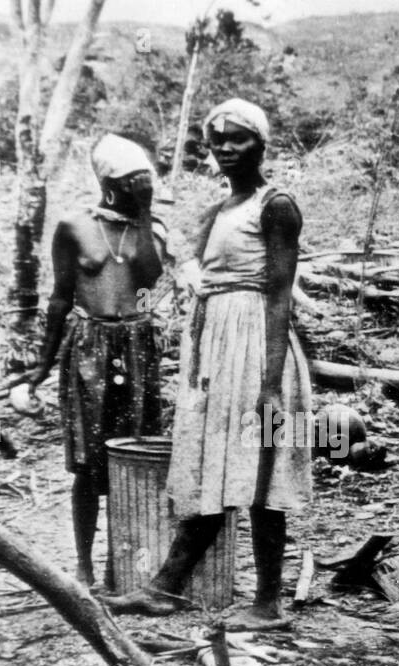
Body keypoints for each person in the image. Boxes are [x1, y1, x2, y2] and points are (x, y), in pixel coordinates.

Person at [105, 98, 312, 631]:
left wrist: (270, 386)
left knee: (262, 473)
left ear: (261, 145)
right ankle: (164, 589)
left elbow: (280, 296)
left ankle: (268, 603)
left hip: (257, 348)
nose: (225, 148)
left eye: (238, 138)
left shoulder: (276, 205)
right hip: (219, 349)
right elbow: (190, 267)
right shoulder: (221, 208)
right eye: (217, 139)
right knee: (213, 461)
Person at [30, 134, 167, 587]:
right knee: (89, 463)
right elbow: (58, 298)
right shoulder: (73, 227)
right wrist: (43, 364)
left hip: (136, 346)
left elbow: (148, 276)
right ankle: (86, 562)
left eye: (147, 181)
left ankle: (123, 563)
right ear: (110, 184)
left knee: (136, 455)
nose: (142, 189)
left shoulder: (151, 228)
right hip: (89, 348)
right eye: (134, 183)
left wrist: (145, 213)